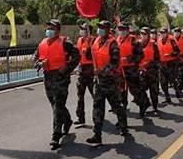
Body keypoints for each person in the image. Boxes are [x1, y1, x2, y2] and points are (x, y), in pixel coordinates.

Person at [33, 19, 80, 149]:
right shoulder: (42, 43)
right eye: (48, 27)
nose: (49, 30)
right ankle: (68, 120)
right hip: (48, 78)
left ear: (58, 30)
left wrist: (66, 69)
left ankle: (56, 135)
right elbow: (35, 57)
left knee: (58, 106)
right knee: (54, 105)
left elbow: (77, 56)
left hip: (61, 78)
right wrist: (39, 63)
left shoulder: (66, 43)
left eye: (52, 28)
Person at [86, 20, 129, 145]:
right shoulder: (95, 41)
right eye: (99, 27)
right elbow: (90, 57)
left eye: (103, 28)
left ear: (108, 29)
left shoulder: (113, 43)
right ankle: (97, 134)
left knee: (116, 106)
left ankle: (123, 126)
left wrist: (102, 71)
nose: (100, 30)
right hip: (98, 82)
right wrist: (89, 47)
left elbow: (114, 62)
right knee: (97, 107)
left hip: (109, 80)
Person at [116, 23, 148, 115]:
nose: (121, 31)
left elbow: (140, 55)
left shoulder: (133, 41)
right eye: (119, 29)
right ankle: (123, 109)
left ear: (127, 30)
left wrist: (130, 59)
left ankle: (143, 104)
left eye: (123, 29)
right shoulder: (117, 40)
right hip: (120, 70)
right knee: (121, 90)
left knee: (135, 90)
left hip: (131, 70)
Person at [74, 23, 95, 125]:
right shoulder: (79, 40)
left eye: (83, 29)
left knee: (95, 95)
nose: (81, 31)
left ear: (88, 31)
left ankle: (98, 116)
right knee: (80, 96)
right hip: (82, 70)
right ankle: (80, 117)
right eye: (81, 29)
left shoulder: (93, 41)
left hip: (91, 71)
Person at [138, 27, 160, 114]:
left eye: (145, 34)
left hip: (152, 72)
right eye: (141, 34)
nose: (143, 36)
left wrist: (151, 65)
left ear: (148, 35)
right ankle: (143, 106)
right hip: (141, 72)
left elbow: (157, 59)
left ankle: (155, 107)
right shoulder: (137, 45)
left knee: (154, 91)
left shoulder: (154, 45)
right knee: (140, 90)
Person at [157, 27, 181, 103]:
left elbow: (177, 51)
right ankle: (167, 97)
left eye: (163, 33)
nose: (161, 34)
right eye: (160, 33)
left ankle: (176, 89)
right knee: (163, 82)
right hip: (162, 64)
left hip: (171, 63)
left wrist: (171, 54)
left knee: (172, 79)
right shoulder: (158, 41)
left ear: (167, 33)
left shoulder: (171, 40)